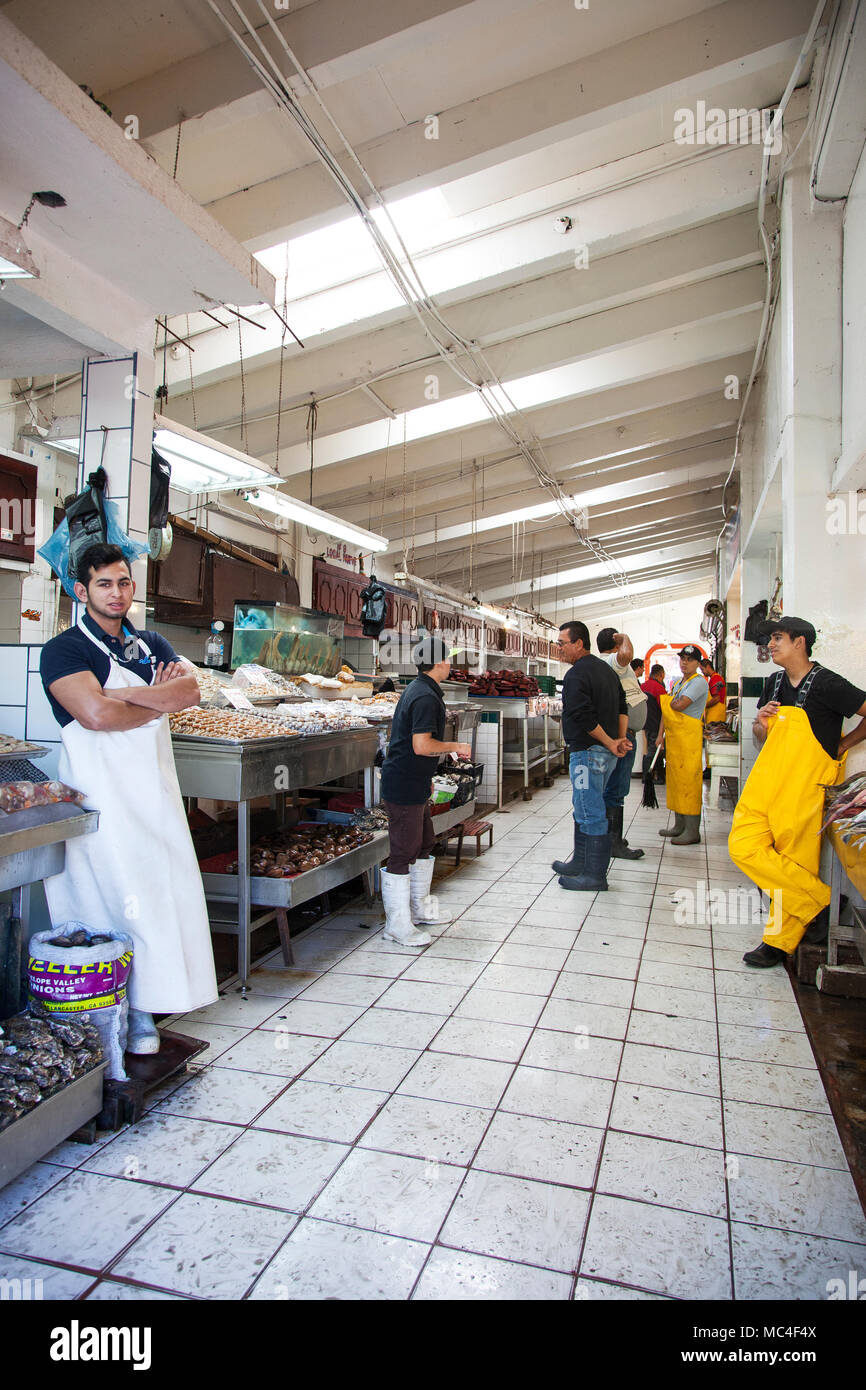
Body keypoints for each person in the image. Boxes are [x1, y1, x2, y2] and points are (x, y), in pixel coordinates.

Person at [39, 544, 218, 1054]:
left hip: (156, 796)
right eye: (103, 584)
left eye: (123, 582)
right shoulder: (65, 650)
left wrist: (119, 696)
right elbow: (93, 717)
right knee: (113, 900)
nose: (116, 593)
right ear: (81, 591)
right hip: (103, 799)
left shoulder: (150, 642)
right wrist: (148, 699)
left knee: (162, 898)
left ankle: (150, 1006)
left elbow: (188, 694)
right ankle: (115, 1014)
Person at [729, 617, 866, 967]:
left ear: (800, 642)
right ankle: (817, 900)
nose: (771, 645)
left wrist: (841, 745)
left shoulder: (827, 683)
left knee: (792, 862)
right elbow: (763, 738)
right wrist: (760, 722)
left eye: (778, 638)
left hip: (804, 787)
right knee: (742, 845)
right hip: (767, 781)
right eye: (771, 639)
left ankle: (778, 941)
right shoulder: (774, 682)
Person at [379, 636, 472, 947]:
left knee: (424, 843)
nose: (450, 664)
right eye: (448, 659)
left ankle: (418, 909)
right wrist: (456, 746)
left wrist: (428, 776)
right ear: (440, 662)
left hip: (415, 781)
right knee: (403, 851)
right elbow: (422, 745)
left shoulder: (423, 689)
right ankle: (397, 924)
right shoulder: (424, 696)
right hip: (403, 783)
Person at [551, 621, 630, 892]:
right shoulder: (606, 671)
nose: (559, 648)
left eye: (562, 643)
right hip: (604, 754)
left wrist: (610, 742)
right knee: (584, 806)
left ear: (579, 643)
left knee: (590, 810)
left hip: (587, 753)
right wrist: (618, 740)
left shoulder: (575, 676)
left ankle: (595, 876)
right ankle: (580, 863)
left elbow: (583, 716)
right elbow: (623, 705)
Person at [596, 628, 648, 860]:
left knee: (616, 788)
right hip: (622, 735)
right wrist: (624, 636)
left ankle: (612, 837)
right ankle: (612, 841)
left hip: (626, 732)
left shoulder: (609, 663)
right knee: (616, 789)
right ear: (615, 643)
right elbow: (626, 655)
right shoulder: (611, 660)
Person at [656, 645, 708, 845]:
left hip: (689, 741)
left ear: (697, 663)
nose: (685, 662)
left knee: (689, 784)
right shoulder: (678, 683)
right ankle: (679, 825)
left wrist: (668, 702)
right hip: (675, 738)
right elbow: (667, 710)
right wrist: (660, 735)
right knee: (676, 782)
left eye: (690, 659)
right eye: (682, 659)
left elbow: (678, 705)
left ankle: (692, 831)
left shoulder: (699, 683)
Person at [700, 656, 727, 778]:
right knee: (711, 741)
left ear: (707, 666)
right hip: (714, 713)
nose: (702, 672)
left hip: (716, 713)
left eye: (702, 669)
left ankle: (711, 769)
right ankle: (710, 767)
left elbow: (716, 698)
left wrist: (703, 705)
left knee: (712, 741)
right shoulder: (715, 678)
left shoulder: (715, 679)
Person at [640, 663, 667, 779]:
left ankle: (648, 775)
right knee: (655, 750)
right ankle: (650, 777)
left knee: (647, 749)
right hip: (656, 723)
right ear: (661, 674)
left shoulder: (642, 686)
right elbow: (665, 710)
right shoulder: (659, 688)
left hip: (644, 723)